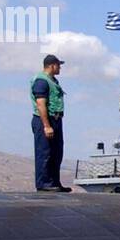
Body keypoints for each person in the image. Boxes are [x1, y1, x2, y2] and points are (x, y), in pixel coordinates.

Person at [30, 54, 70, 192]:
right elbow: (41, 104)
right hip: (45, 120)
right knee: (44, 152)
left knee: (56, 152)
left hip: (56, 119)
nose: (60, 68)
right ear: (52, 65)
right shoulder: (41, 81)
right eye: (59, 65)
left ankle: (54, 182)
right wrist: (46, 126)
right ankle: (43, 183)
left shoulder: (53, 81)